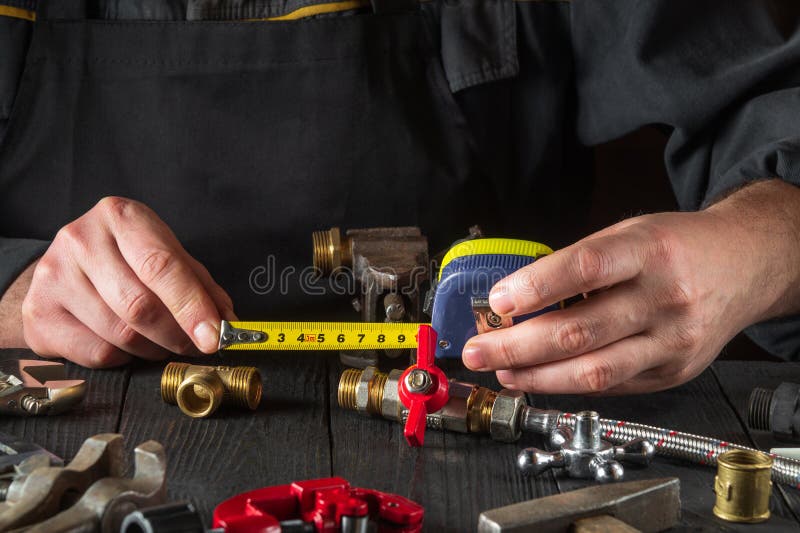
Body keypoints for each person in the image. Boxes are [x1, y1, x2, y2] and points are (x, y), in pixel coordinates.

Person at [0, 0, 798, 395]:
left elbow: (770, 101)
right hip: (66, 413)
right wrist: (19, 290)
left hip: (479, 408)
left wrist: (748, 250)